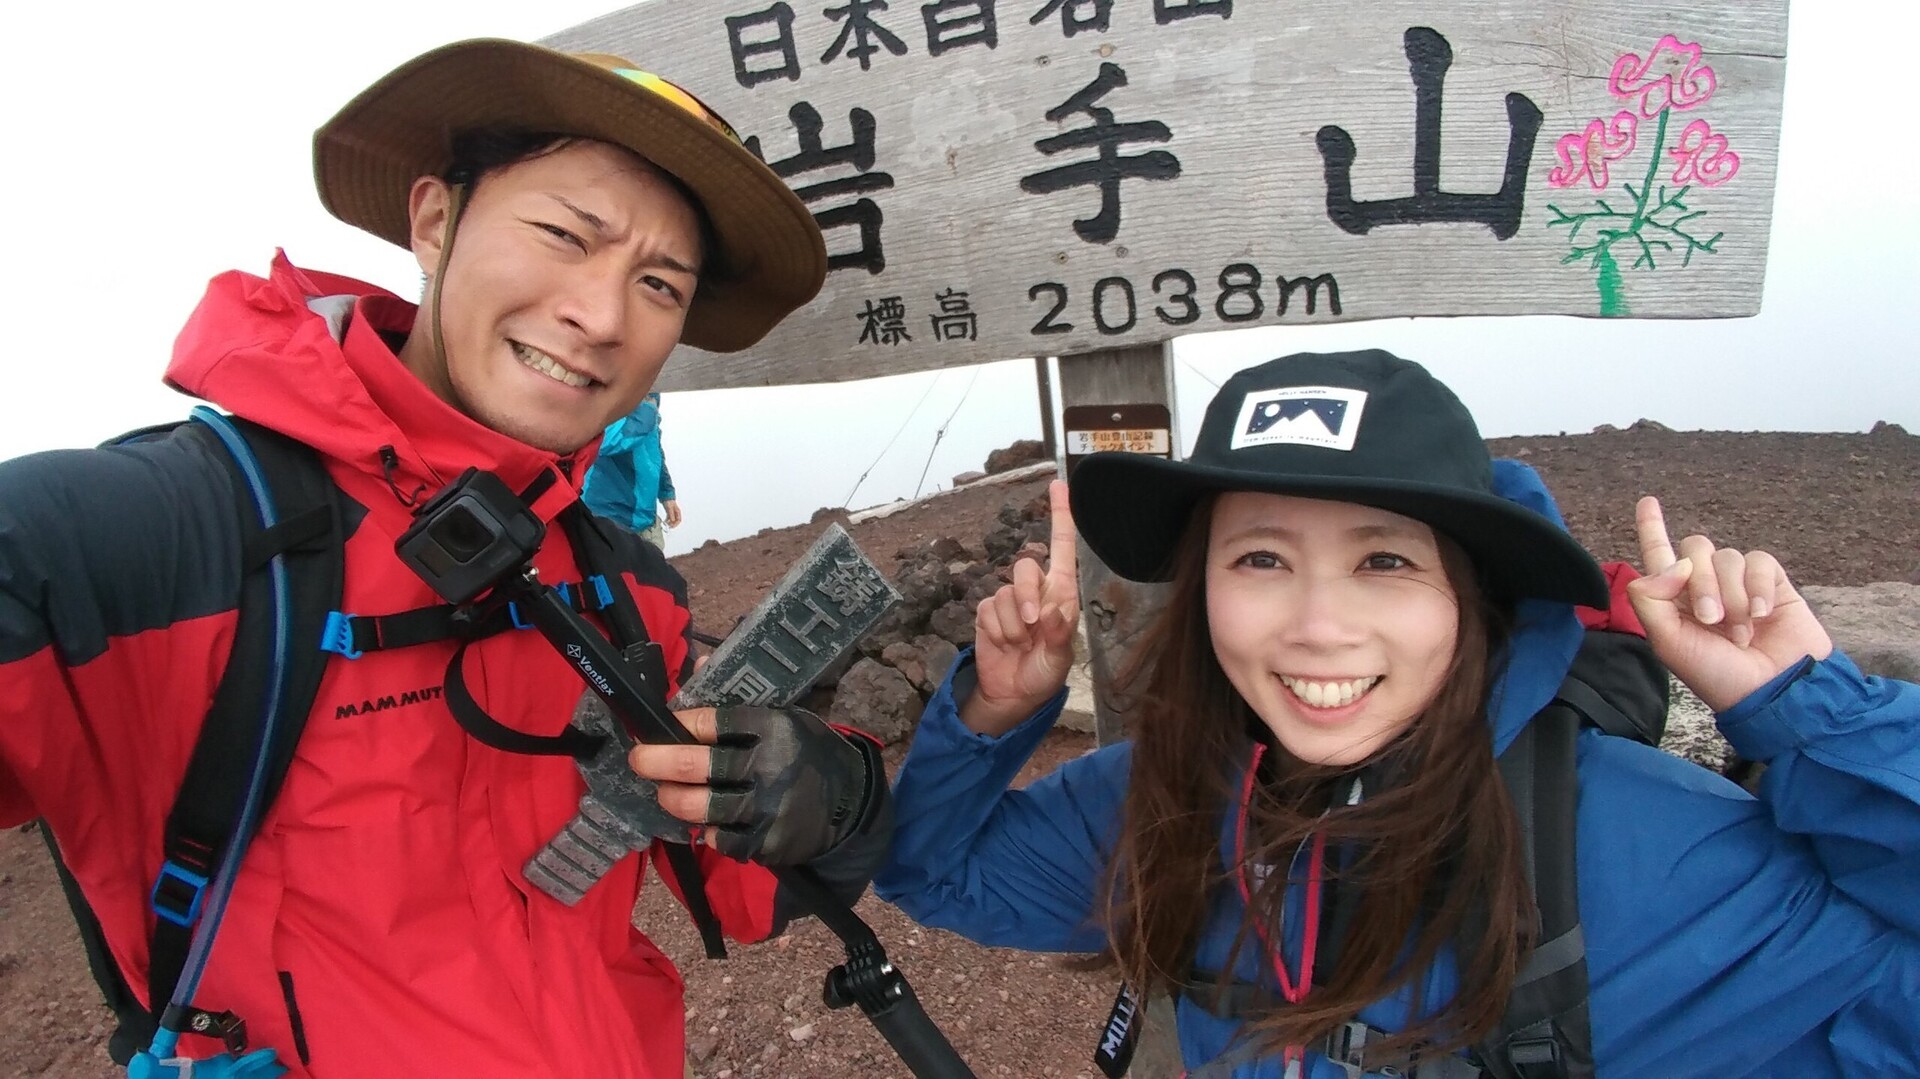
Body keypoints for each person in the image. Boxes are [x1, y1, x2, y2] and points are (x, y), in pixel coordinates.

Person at [0, 39, 892, 1078]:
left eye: (658, 283)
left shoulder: (626, 589)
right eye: (565, 234)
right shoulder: (146, 538)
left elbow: (740, 891)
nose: (601, 317)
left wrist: (841, 789)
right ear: (433, 221)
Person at [874, 350, 1920, 1077]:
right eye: (1261, 558)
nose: (1318, 626)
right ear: (1201, 589)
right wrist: (997, 705)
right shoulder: (1168, 797)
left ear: (1471, 596)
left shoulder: (1623, 842)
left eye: (1383, 559)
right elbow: (937, 869)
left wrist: (1810, 706)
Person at [585, 391, 682, 548]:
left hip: (645, 519)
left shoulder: (648, 401)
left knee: (654, 571)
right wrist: (648, 407)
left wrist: (666, 494)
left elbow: (653, 448)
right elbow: (608, 442)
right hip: (606, 519)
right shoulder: (605, 398)